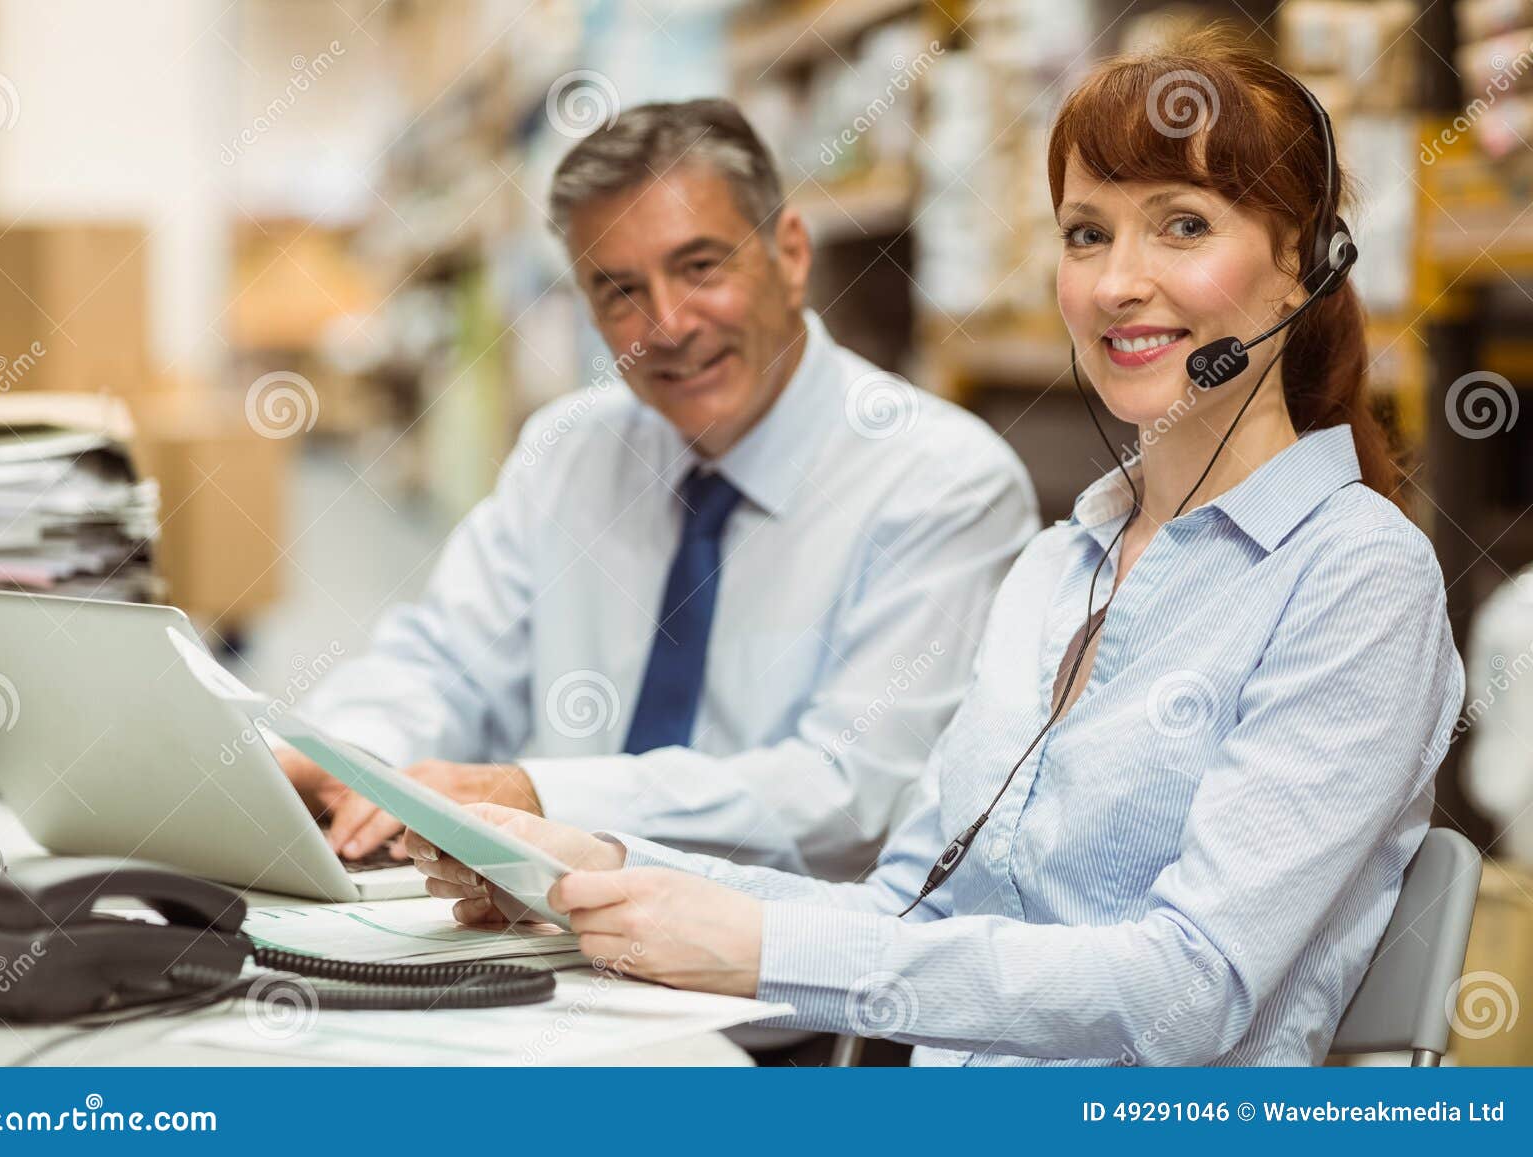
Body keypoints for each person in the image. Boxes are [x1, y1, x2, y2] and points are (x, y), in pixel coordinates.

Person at [406, 32, 1467, 1066]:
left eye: (1181, 226)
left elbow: (1187, 989)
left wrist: (761, 947)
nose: (1113, 284)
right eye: (1086, 234)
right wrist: (600, 862)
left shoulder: (1355, 576)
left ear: (1304, 265)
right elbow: (900, 904)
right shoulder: (1062, 564)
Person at [279, 99, 1039, 882]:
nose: (668, 325)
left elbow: (851, 792)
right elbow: (445, 660)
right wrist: (353, 752)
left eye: (701, 267)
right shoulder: (567, 450)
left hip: (788, 972)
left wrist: (540, 793)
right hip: (554, 934)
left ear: (790, 252)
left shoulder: (943, 483)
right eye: (619, 291)